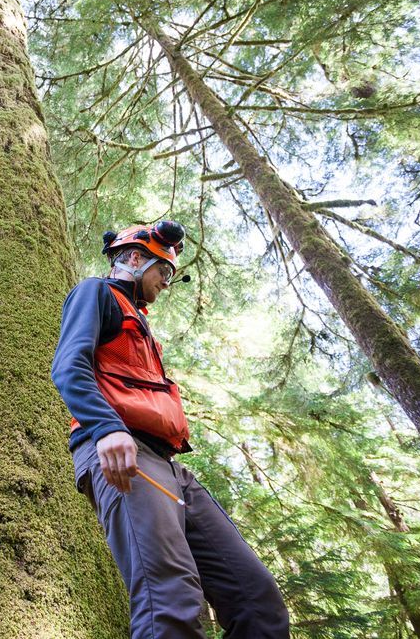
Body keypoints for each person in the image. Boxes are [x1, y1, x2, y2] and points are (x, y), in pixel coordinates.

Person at [51, 220, 290, 638]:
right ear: (135, 258)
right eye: (164, 270)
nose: (166, 282)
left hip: (169, 466)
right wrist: (106, 427)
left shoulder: (141, 322)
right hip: (124, 454)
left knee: (256, 598)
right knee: (171, 599)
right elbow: (68, 366)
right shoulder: (96, 293)